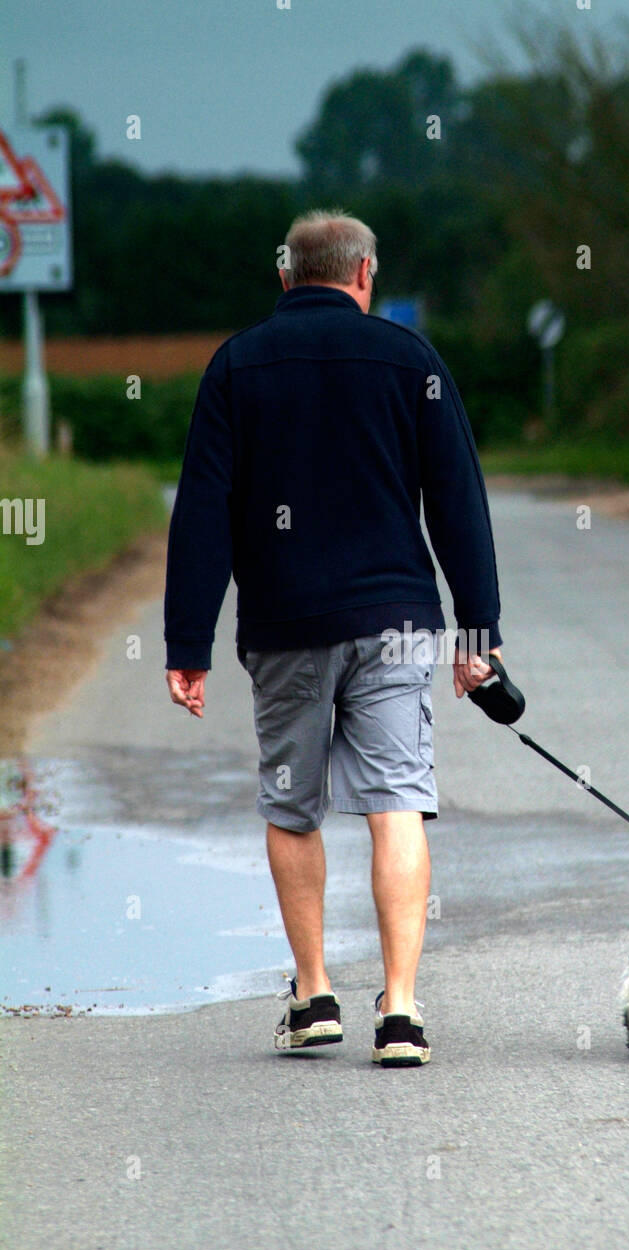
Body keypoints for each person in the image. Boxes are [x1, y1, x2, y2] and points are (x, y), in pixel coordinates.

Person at [164, 209, 503, 1067]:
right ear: (363, 276)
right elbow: (456, 499)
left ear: (286, 278)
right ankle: (400, 1010)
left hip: (284, 629)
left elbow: (203, 509)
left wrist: (187, 643)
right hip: (394, 625)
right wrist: (478, 633)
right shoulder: (410, 360)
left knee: (292, 806)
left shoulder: (238, 364)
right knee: (396, 803)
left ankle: (314, 993)